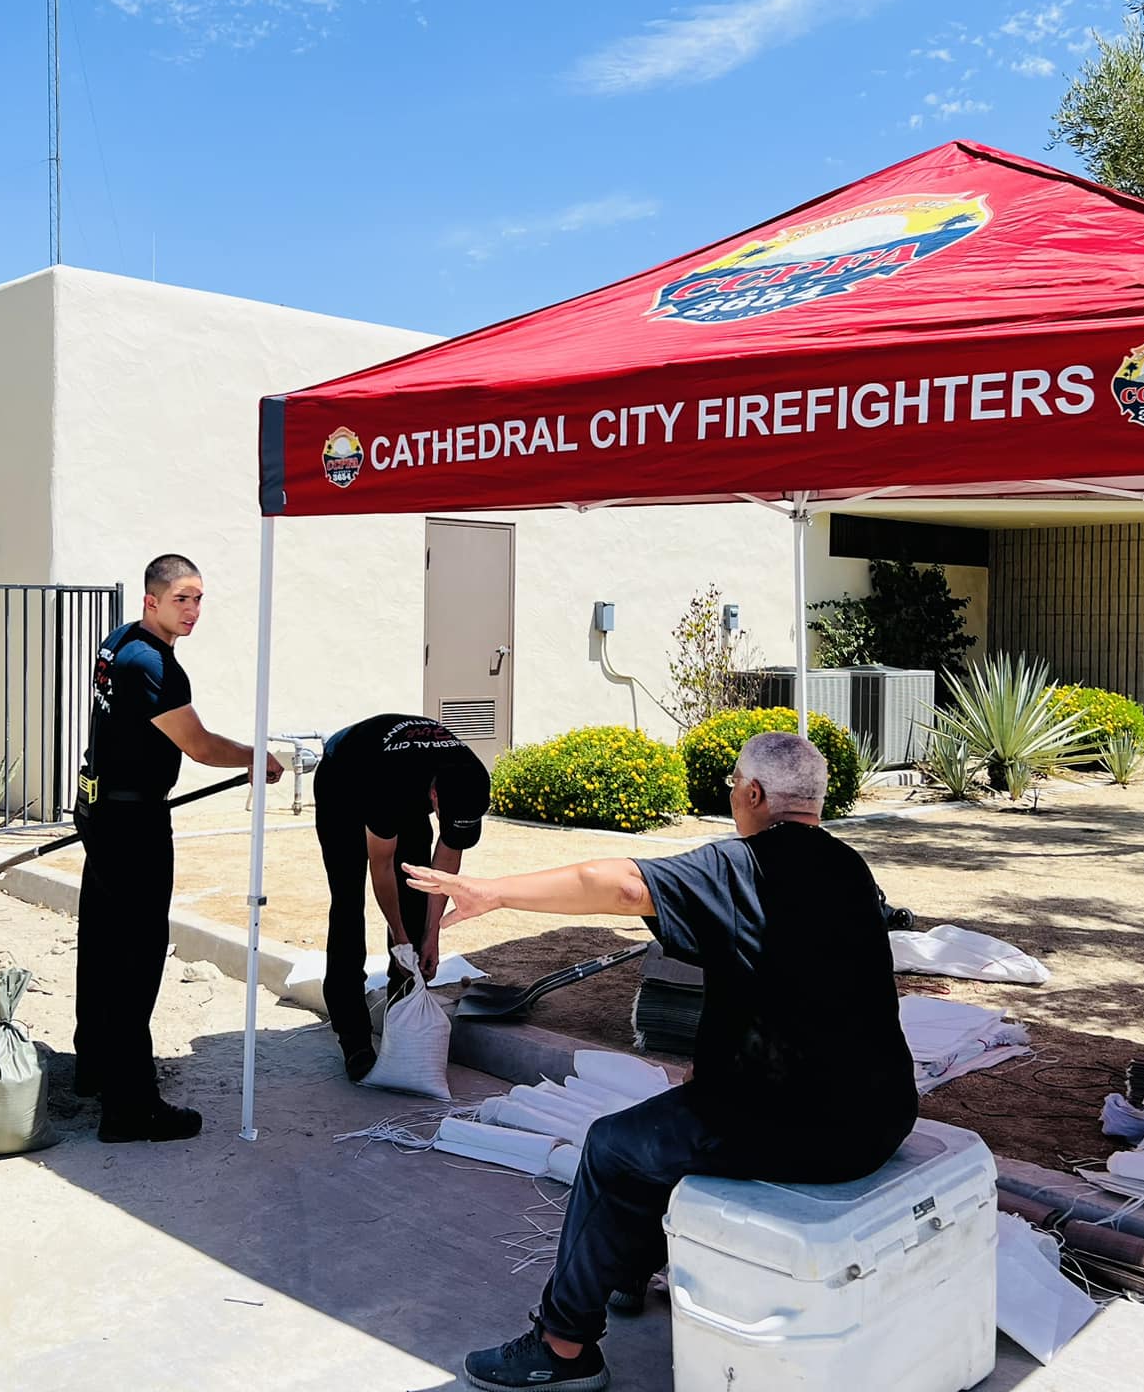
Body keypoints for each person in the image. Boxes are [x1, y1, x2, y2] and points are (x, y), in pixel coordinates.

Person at [405, 732, 916, 1392]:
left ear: (756, 795)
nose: (733, 793)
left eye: (736, 783)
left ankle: (563, 1348)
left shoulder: (740, 865)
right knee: (674, 1124)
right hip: (882, 1114)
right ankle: (628, 1268)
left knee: (615, 1147)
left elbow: (615, 884)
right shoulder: (850, 869)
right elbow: (783, 977)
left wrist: (494, 893)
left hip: (807, 1127)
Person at [73, 553, 282, 1144]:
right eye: (181, 599)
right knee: (135, 959)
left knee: (102, 945)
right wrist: (253, 756)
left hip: (102, 807)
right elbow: (198, 745)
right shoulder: (156, 666)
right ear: (152, 600)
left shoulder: (117, 644)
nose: (191, 611)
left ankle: (94, 1068)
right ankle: (130, 1108)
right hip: (133, 822)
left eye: (198, 600)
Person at [313, 714, 492, 1081]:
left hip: (407, 781)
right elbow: (381, 867)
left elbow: (444, 864)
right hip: (345, 777)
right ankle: (354, 1037)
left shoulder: (473, 777)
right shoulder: (389, 783)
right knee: (348, 903)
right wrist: (400, 936)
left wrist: (430, 934)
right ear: (435, 796)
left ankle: (403, 1022)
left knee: (414, 888)